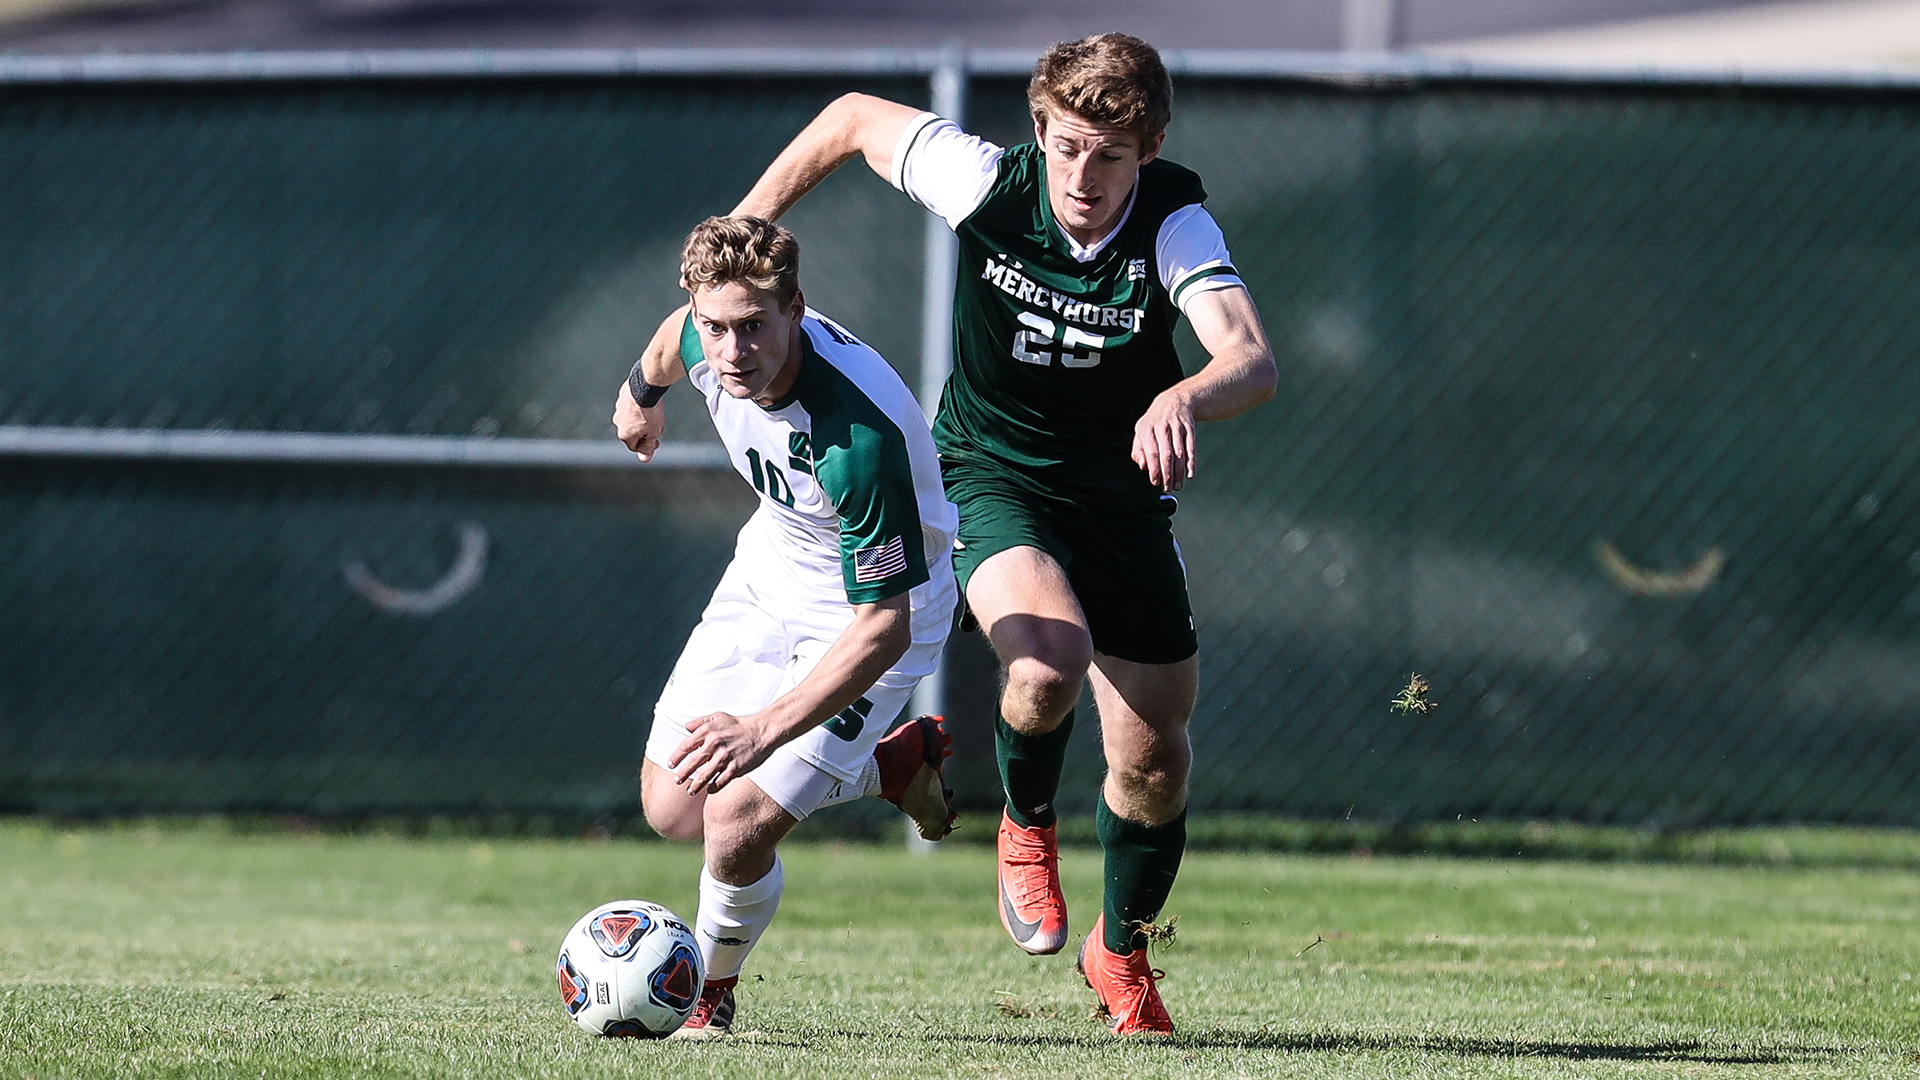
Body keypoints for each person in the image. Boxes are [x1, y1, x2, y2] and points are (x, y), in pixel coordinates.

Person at [730, 33, 1277, 1034]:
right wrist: (744, 232)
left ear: (1147, 148)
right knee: (1046, 662)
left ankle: (1120, 955)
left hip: (1119, 502)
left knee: (1156, 762)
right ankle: (1025, 823)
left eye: (1111, 154)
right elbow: (852, 117)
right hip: (989, 475)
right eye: (1067, 145)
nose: (1083, 174)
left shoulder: (1173, 223)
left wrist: (1190, 395)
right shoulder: (986, 182)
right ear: (1039, 129)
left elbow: (1248, 355)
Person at [611, 215, 960, 1038]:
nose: (733, 351)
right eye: (717, 326)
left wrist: (761, 730)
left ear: (796, 308)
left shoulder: (855, 437)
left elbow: (882, 625)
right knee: (673, 807)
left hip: (874, 618)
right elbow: (671, 341)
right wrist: (638, 396)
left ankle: (707, 990)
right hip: (770, 570)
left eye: (754, 327)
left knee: (734, 820)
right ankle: (891, 766)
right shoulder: (703, 338)